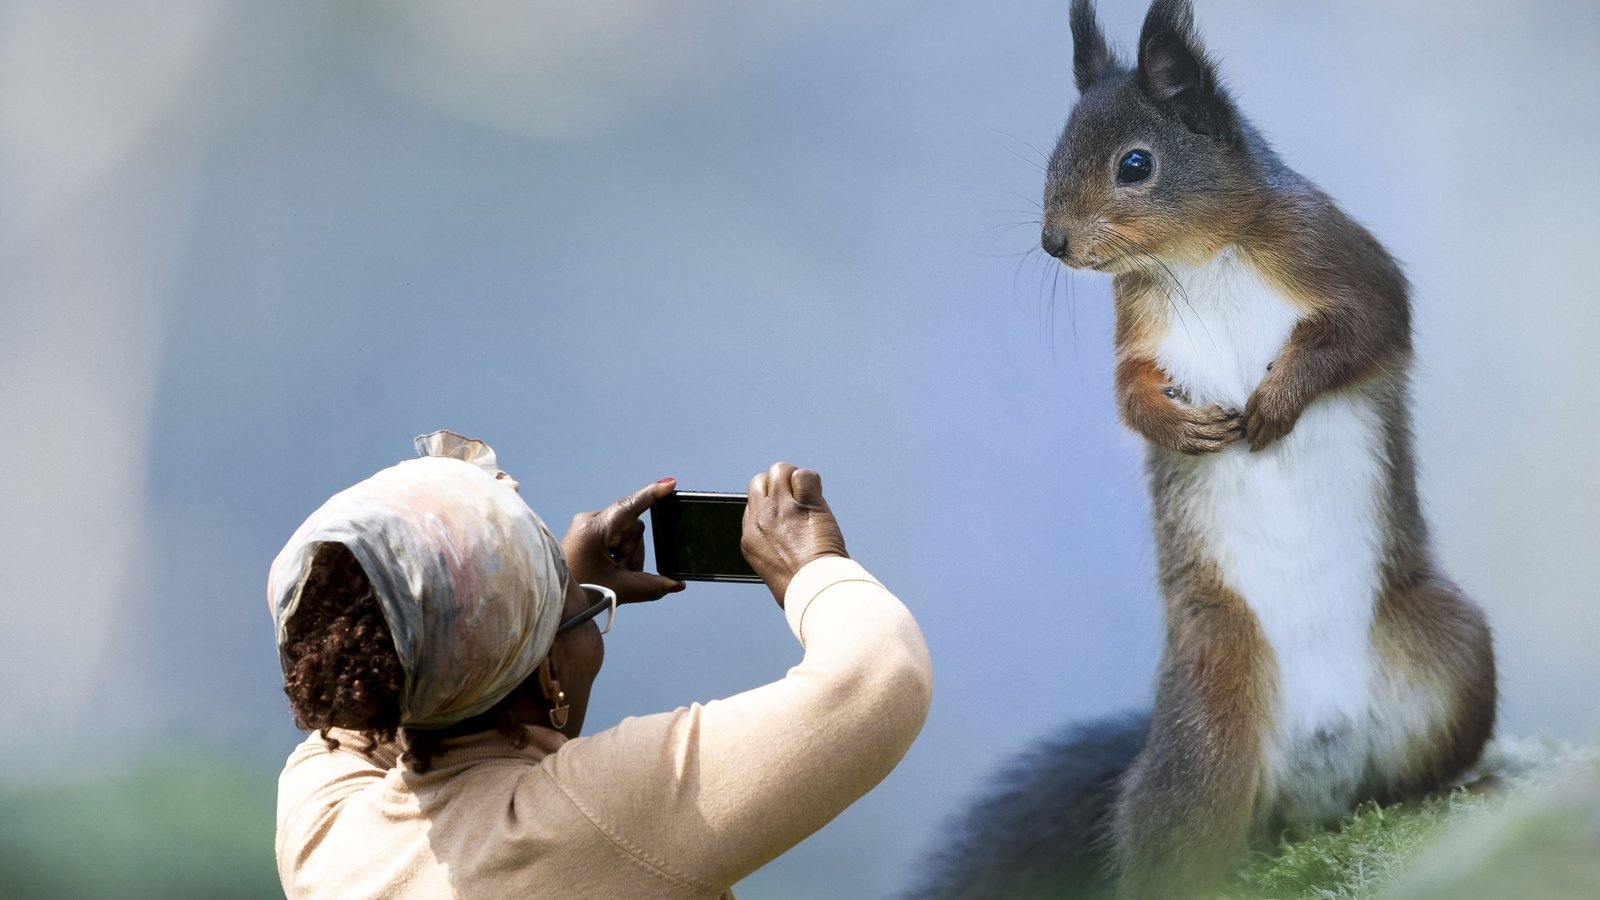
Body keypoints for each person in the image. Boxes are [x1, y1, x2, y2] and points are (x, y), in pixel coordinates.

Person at [267, 431, 933, 898]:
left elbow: (374, 661)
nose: (591, 610)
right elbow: (879, 676)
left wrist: (535, 597)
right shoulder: (603, 815)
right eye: (587, 611)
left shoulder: (326, 833)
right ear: (549, 676)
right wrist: (812, 567)